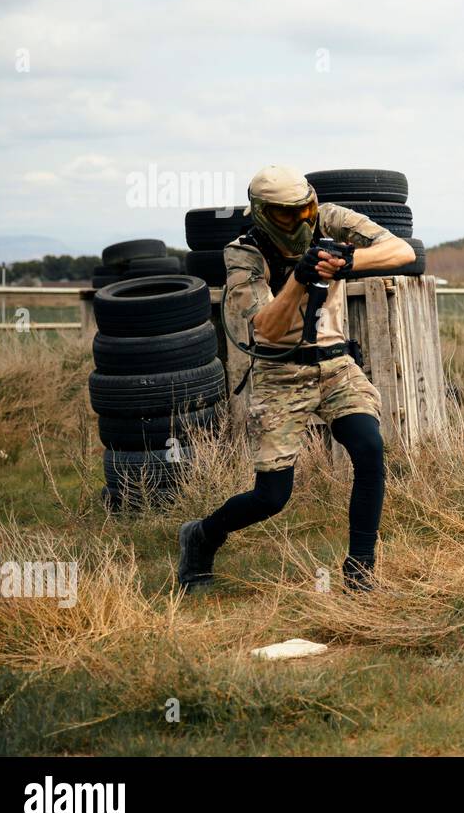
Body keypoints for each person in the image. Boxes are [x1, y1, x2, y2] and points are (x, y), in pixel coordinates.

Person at [176, 165, 416, 592]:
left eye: (306, 209)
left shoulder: (330, 219)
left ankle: (360, 572)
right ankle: (202, 535)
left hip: (336, 366)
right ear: (263, 212)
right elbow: (266, 327)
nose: (302, 221)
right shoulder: (244, 253)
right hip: (280, 372)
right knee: (271, 497)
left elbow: (402, 251)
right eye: (288, 214)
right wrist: (299, 280)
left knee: (369, 449)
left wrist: (345, 261)